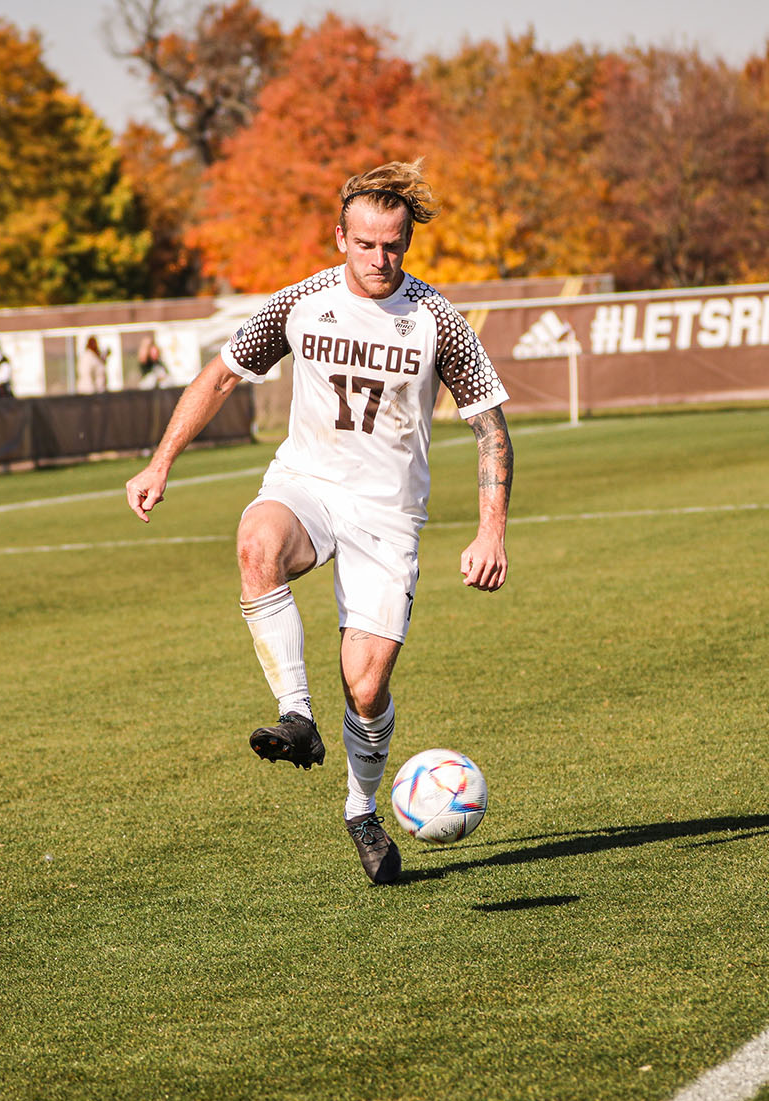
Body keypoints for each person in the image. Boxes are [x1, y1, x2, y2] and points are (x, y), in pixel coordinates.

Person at [123, 160, 513, 887]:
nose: (378, 259)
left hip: (388, 516)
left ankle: (361, 808)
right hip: (307, 485)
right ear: (340, 237)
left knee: (366, 689)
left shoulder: (438, 320)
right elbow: (220, 375)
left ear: (407, 242)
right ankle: (295, 715)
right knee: (255, 541)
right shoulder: (301, 302)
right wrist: (159, 464)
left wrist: (491, 529)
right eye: (364, 244)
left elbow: (491, 428)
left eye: (392, 245)